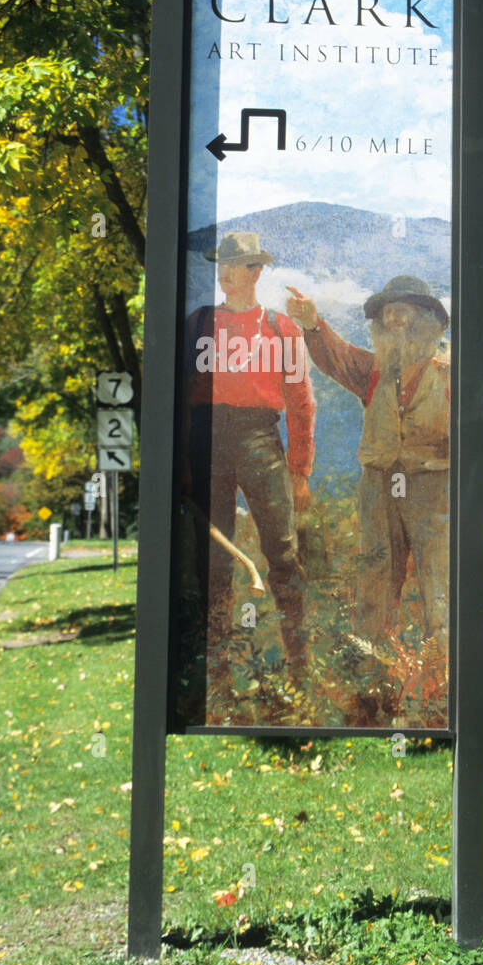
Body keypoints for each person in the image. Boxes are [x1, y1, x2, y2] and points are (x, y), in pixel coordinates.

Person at [287, 275, 449, 650]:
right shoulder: (375, 369)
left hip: (434, 486)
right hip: (378, 484)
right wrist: (312, 323)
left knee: (438, 573)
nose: (393, 321)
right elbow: (337, 357)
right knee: (376, 570)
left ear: (426, 320)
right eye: (387, 315)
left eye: (402, 313)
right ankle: (371, 658)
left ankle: (441, 665)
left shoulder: (448, 372)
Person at [184, 232, 315, 679]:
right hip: (207, 438)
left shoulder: (282, 328)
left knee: (281, 549)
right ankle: (217, 660)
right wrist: (181, 459)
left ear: (255, 272)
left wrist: (299, 471)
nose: (225, 271)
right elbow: (178, 394)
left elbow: (300, 401)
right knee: (214, 551)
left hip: (261, 439)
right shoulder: (199, 323)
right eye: (221, 262)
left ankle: (300, 656)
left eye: (236, 264)